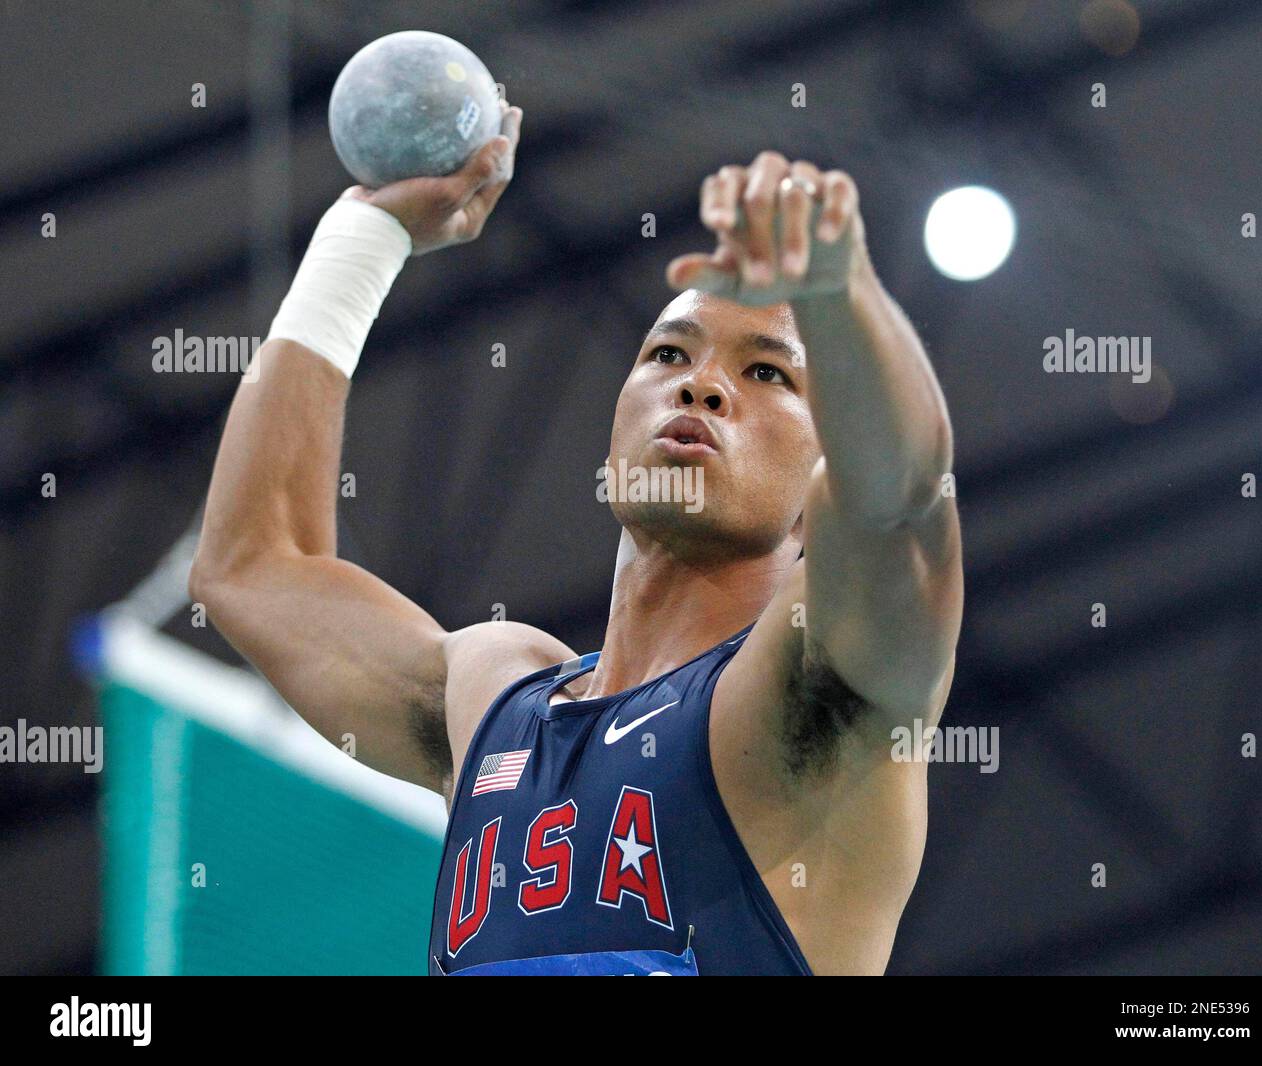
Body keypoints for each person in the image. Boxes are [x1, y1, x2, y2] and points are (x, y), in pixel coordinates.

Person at [190, 98, 963, 975]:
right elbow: (252, 566)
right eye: (669, 354)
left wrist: (844, 292)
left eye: (767, 371)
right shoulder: (491, 698)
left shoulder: (821, 682)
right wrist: (361, 240)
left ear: (826, 460)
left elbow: (900, 502)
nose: (703, 386)